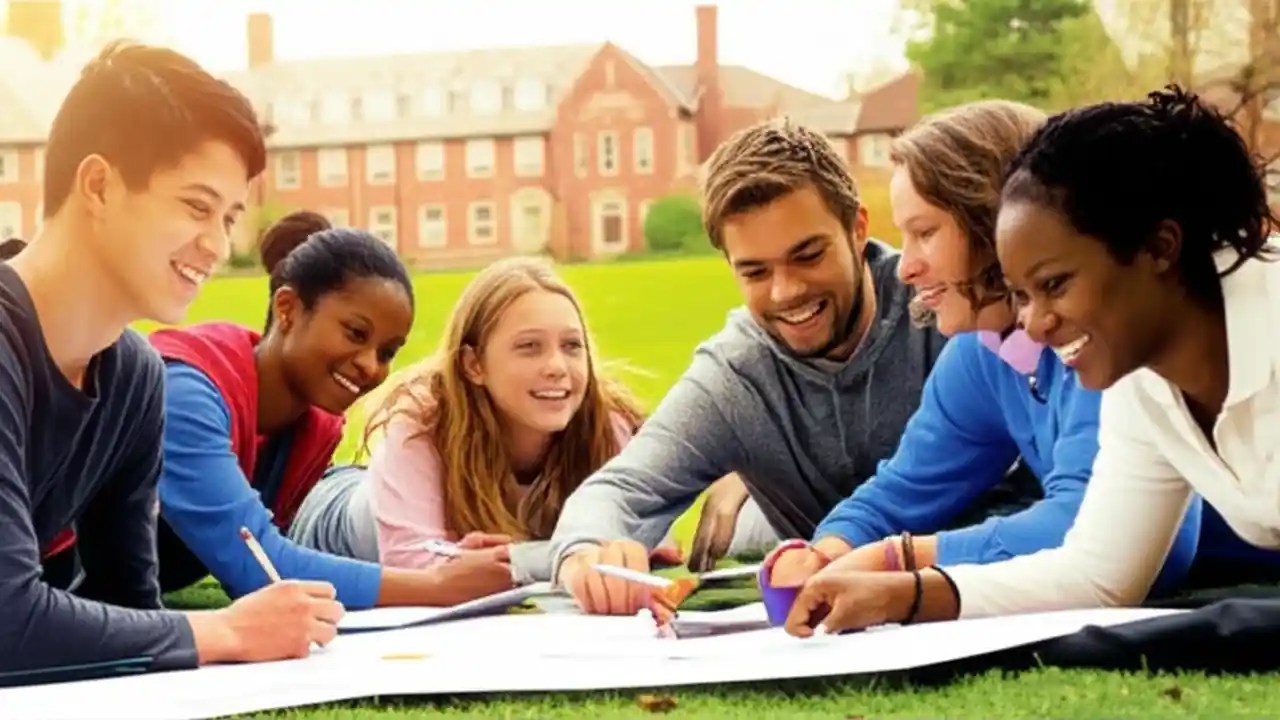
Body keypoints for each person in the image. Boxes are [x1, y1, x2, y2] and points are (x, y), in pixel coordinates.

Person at [781, 86, 1280, 638]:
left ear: (1159, 248)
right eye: (1025, 294)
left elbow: (1142, 557)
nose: (1036, 326)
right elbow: (1100, 571)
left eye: (1056, 284)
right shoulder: (1139, 381)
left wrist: (902, 561)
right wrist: (896, 587)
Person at [547, 117, 1044, 617]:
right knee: (744, 534)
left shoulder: (954, 304)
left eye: (808, 256)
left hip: (994, 577)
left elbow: (1078, 498)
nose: (786, 291)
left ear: (858, 229)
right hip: (853, 572)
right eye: (756, 272)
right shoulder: (735, 377)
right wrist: (587, 556)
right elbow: (621, 488)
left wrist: (895, 560)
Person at [1, 41, 342, 681]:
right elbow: (7, 620)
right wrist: (227, 629)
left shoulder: (133, 378)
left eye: (230, 217)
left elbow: (129, 609)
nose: (215, 244)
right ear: (99, 184)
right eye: (196, 206)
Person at [150, 211, 515, 608]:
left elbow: (295, 557)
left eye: (387, 352)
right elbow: (261, 569)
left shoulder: (312, 428)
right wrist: (436, 585)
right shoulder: (186, 396)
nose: (371, 365)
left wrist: (442, 553)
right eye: (355, 334)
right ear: (287, 309)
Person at [287, 256, 660, 582]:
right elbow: (417, 566)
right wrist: (567, 557)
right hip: (327, 521)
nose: (557, 367)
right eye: (529, 347)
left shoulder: (606, 425)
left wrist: (534, 558)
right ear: (474, 364)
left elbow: (650, 545)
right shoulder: (420, 425)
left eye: (571, 346)